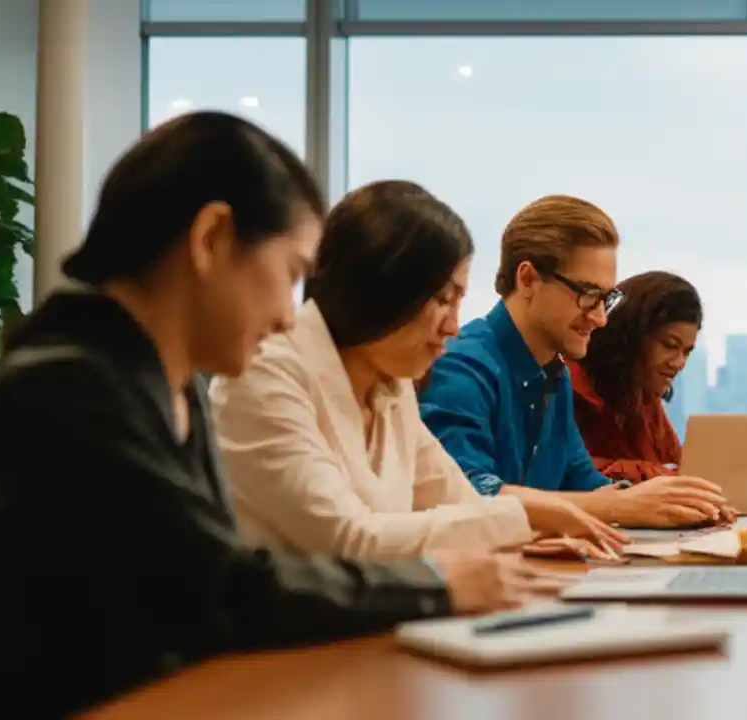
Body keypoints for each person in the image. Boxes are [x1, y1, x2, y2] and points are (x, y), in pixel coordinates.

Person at [0, 113, 547, 717]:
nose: (287, 314)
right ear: (211, 240)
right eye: (289, 274)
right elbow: (215, 586)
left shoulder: (159, 382)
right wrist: (437, 585)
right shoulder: (66, 387)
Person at [211, 180, 624, 561]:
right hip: (286, 638)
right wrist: (524, 518)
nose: (453, 325)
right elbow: (346, 539)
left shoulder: (390, 385)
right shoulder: (266, 373)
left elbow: (461, 502)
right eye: (443, 299)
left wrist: (536, 530)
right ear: (383, 289)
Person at [418, 195, 729, 528]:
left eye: (605, 299)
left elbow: (583, 481)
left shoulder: (554, 373)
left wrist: (668, 502)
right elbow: (467, 494)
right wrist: (620, 506)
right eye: (587, 294)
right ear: (528, 280)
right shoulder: (462, 368)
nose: (599, 318)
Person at [569, 271, 704, 484]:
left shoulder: (645, 396)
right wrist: (650, 473)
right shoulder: (567, 387)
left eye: (687, 352)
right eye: (669, 345)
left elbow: (677, 474)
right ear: (631, 337)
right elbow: (566, 474)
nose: (679, 363)